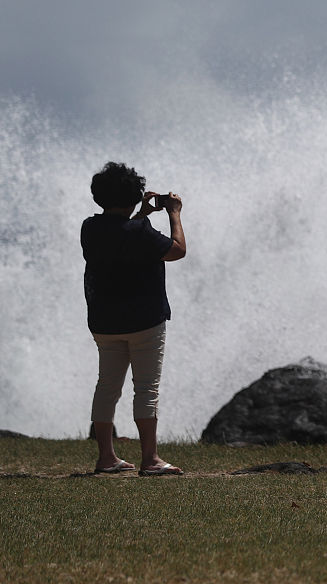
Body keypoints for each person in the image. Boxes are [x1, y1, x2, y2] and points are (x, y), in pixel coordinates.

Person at [81, 162, 186, 476]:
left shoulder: (90, 227)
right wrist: (174, 213)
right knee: (146, 388)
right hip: (144, 321)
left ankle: (106, 458)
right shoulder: (140, 232)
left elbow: (121, 234)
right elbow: (177, 250)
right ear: (133, 196)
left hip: (104, 322)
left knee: (107, 387)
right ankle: (150, 459)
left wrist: (141, 214)